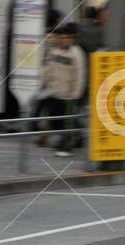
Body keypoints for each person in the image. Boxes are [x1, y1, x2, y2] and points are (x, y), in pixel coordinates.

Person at [37, 25, 88, 156]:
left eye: (65, 38)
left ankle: (66, 146)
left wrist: (76, 93)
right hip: (55, 92)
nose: (62, 40)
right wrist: (46, 83)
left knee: (67, 121)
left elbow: (80, 74)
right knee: (57, 120)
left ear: (71, 39)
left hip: (69, 94)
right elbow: (48, 69)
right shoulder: (54, 51)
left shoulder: (76, 53)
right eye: (60, 37)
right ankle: (73, 138)